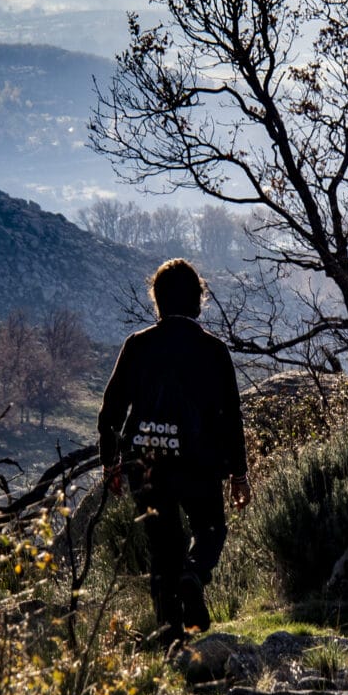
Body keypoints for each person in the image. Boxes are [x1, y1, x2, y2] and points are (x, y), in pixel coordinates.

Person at [98, 258, 249, 643]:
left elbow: (111, 410)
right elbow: (231, 416)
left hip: (145, 463)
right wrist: (239, 473)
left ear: (158, 302)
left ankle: (171, 636)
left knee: (163, 549)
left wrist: (110, 462)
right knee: (210, 529)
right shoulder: (213, 351)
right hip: (199, 463)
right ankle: (195, 575)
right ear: (198, 302)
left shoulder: (137, 346)